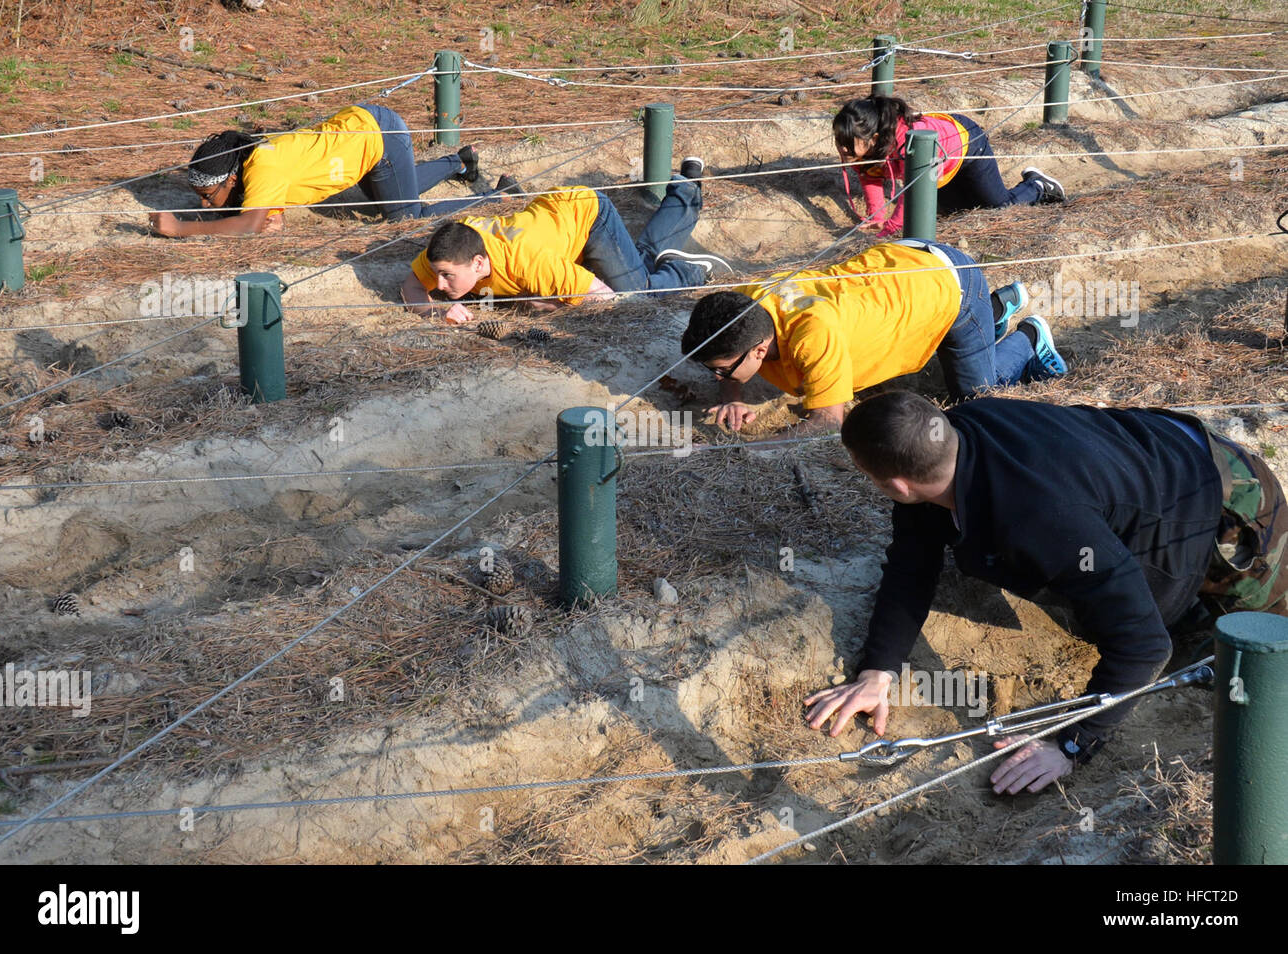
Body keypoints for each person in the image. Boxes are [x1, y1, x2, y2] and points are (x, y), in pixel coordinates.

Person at [803, 390, 1288, 794]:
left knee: (1255, 657)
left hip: (1226, 499)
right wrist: (879, 669)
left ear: (897, 484)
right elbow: (912, 563)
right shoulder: (945, 443)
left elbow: (1143, 645)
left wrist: (1071, 744)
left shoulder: (1041, 519)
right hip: (1147, 457)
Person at [680, 239, 1064, 435]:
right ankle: (993, 311)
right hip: (905, 261)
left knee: (975, 399)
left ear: (759, 350)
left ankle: (1028, 339)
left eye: (722, 372)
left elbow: (827, 423)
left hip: (951, 287)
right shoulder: (746, 302)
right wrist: (732, 396)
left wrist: (751, 453)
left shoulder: (813, 335)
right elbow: (731, 349)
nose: (717, 378)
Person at [401, 158, 729, 323]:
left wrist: (550, 305)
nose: (439, 284)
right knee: (637, 265)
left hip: (587, 213)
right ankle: (686, 186)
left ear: (478, 263)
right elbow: (412, 287)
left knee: (638, 293)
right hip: (551, 218)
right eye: (438, 275)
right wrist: (435, 313)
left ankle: (690, 270)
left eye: (447, 277)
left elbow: (608, 300)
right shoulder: (451, 248)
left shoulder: (530, 264)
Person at [149, 103, 508, 237]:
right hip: (362, 128)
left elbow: (248, 225)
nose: (205, 204)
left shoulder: (262, 167)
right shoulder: (253, 158)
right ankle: (461, 161)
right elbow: (267, 213)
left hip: (379, 138)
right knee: (385, 199)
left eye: (208, 196)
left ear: (231, 178)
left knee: (406, 218)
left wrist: (181, 228)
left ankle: (499, 196)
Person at [833, 96, 1066, 238]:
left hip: (968, 147)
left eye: (847, 142)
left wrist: (890, 227)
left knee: (998, 208)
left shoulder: (907, 142)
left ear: (874, 138)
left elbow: (913, 191)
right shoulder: (857, 150)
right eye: (838, 140)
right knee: (959, 213)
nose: (842, 148)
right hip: (939, 169)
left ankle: (1038, 186)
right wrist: (876, 217)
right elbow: (870, 175)